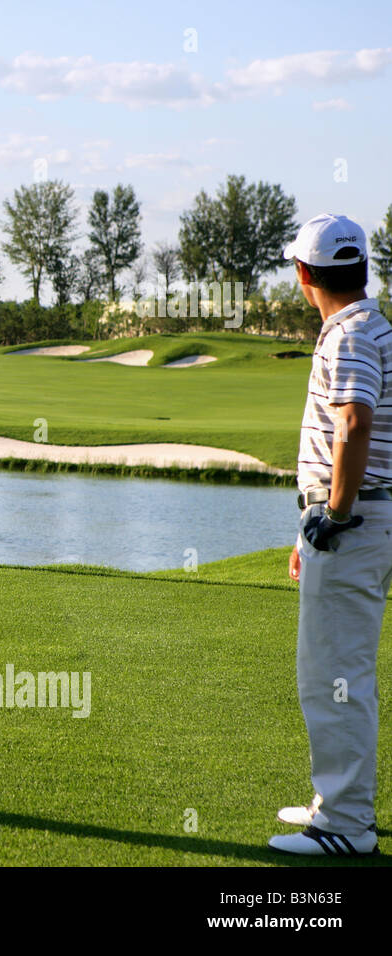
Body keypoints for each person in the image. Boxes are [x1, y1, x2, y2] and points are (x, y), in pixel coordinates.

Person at [276, 213, 387, 855]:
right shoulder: (374, 325)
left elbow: (353, 423)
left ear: (305, 275)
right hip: (369, 517)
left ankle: (345, 827)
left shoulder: (344, 335)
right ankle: (336, 801)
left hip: (355, 520)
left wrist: (333, 515)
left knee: (334, 675)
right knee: (344, 673)